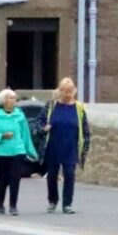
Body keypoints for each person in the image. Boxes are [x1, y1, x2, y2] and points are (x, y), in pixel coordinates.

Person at [0, 88, 39, 216]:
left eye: (14, 98)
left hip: (17, 151)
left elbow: (25, 135)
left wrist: (32, 153)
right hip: (1, 152)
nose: (13, 101)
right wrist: (2, 136)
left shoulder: (20, 115)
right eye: (10, 98)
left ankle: (13, 205)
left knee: (15, 179)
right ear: (4, 100)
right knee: (2, 179)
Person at [41, 77, 91, 214]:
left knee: (69, 174)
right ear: (60, 91)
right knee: (52, 175)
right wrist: (44, 128)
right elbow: (40, 122)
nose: (68, 95)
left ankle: (67, 203)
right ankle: (52, 201)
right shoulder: (51, 105)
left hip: (70, 146)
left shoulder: (79, 108)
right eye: (65, 92)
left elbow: (85, 129)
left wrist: (85, 146)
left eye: (70, 92)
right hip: (53, 146)